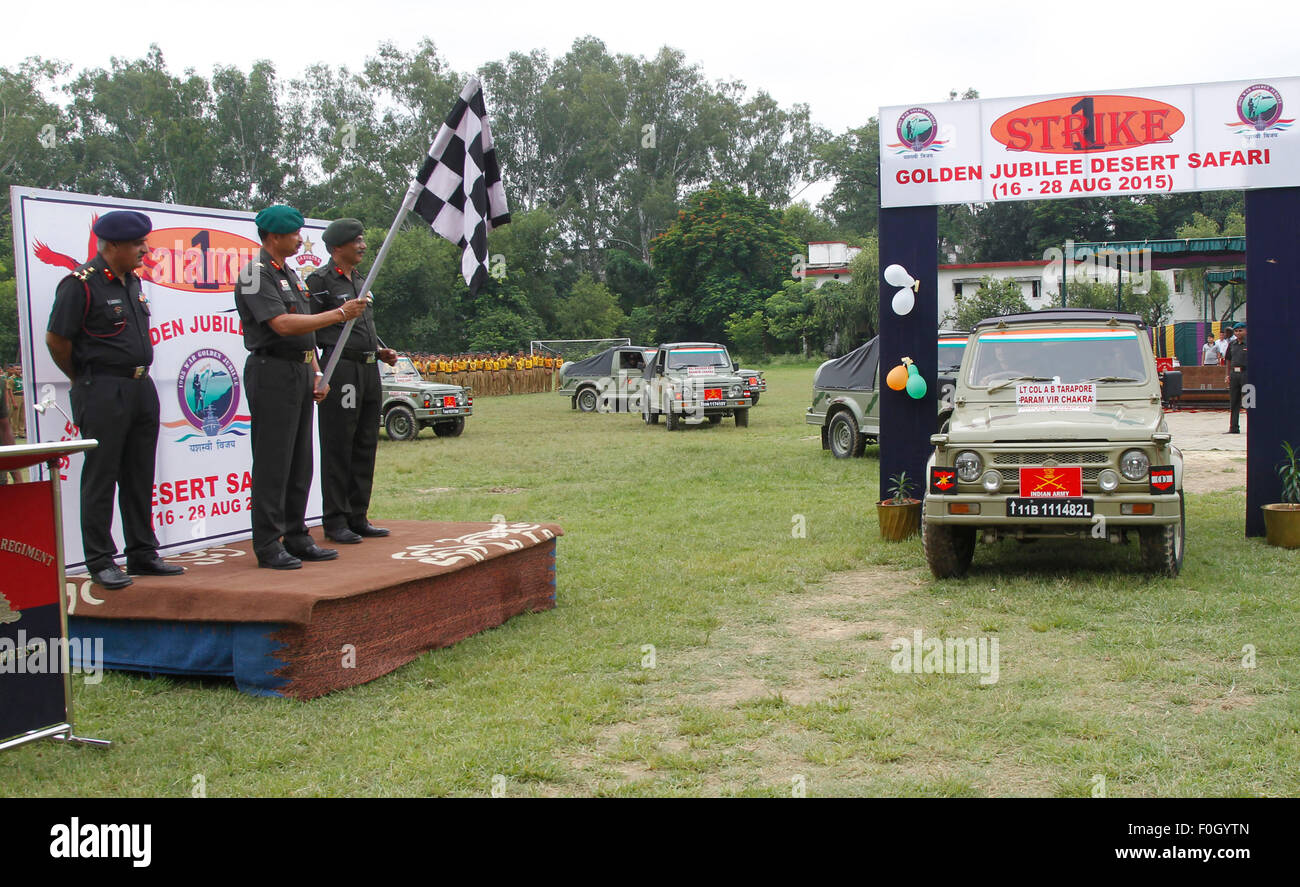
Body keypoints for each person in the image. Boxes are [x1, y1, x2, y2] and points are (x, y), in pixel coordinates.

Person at [45, 210, 184, 589]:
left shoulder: (132, 283)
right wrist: (83, 379)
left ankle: (141, 551)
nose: (144, 249)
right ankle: (101, 559)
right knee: (101, 476)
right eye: (138, 243)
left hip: (141, 387)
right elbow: (57, 340)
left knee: (139, 474)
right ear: (113, 246)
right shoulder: (80, 285)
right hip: (103, 388)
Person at [234, 205, 365, 569]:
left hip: (299, 371)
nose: (299, 239)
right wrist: (339, 314)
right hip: (271, 371)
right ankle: (267, 542)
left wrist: (317, 371)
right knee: (274, 461)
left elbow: (305, 333)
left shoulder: (289, 274)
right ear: (274, 236)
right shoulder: (253, 275)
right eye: (293, 234)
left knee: (299, 461)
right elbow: (282, 324)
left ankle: (296, 534)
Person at [305, 218, 396, 545]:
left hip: (368, 369)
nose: (363, 246)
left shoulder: (361, 279)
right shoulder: (320, 282)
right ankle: (335, 520)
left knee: (365, 441)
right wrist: (317, 372)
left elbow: (360, 327)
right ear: (336, 247)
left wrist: (379, 350)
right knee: (339, 443)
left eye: (362, 239)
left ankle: (358, 515)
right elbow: (309, 330)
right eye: (356, 241)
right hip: (339, 370)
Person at [1224, 322, 1248, 434]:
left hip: (1246, 374)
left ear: (1246, 331)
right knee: (1234, 402)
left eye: (1240, 330)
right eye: (1236, 331)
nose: (1238, 333)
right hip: (1234, 374)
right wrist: (1227, 375)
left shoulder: (1249, 344)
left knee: (1249, 402)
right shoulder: (1232, 344)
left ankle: (1251, 428)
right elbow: (1228, 359)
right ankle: (1233, 428)